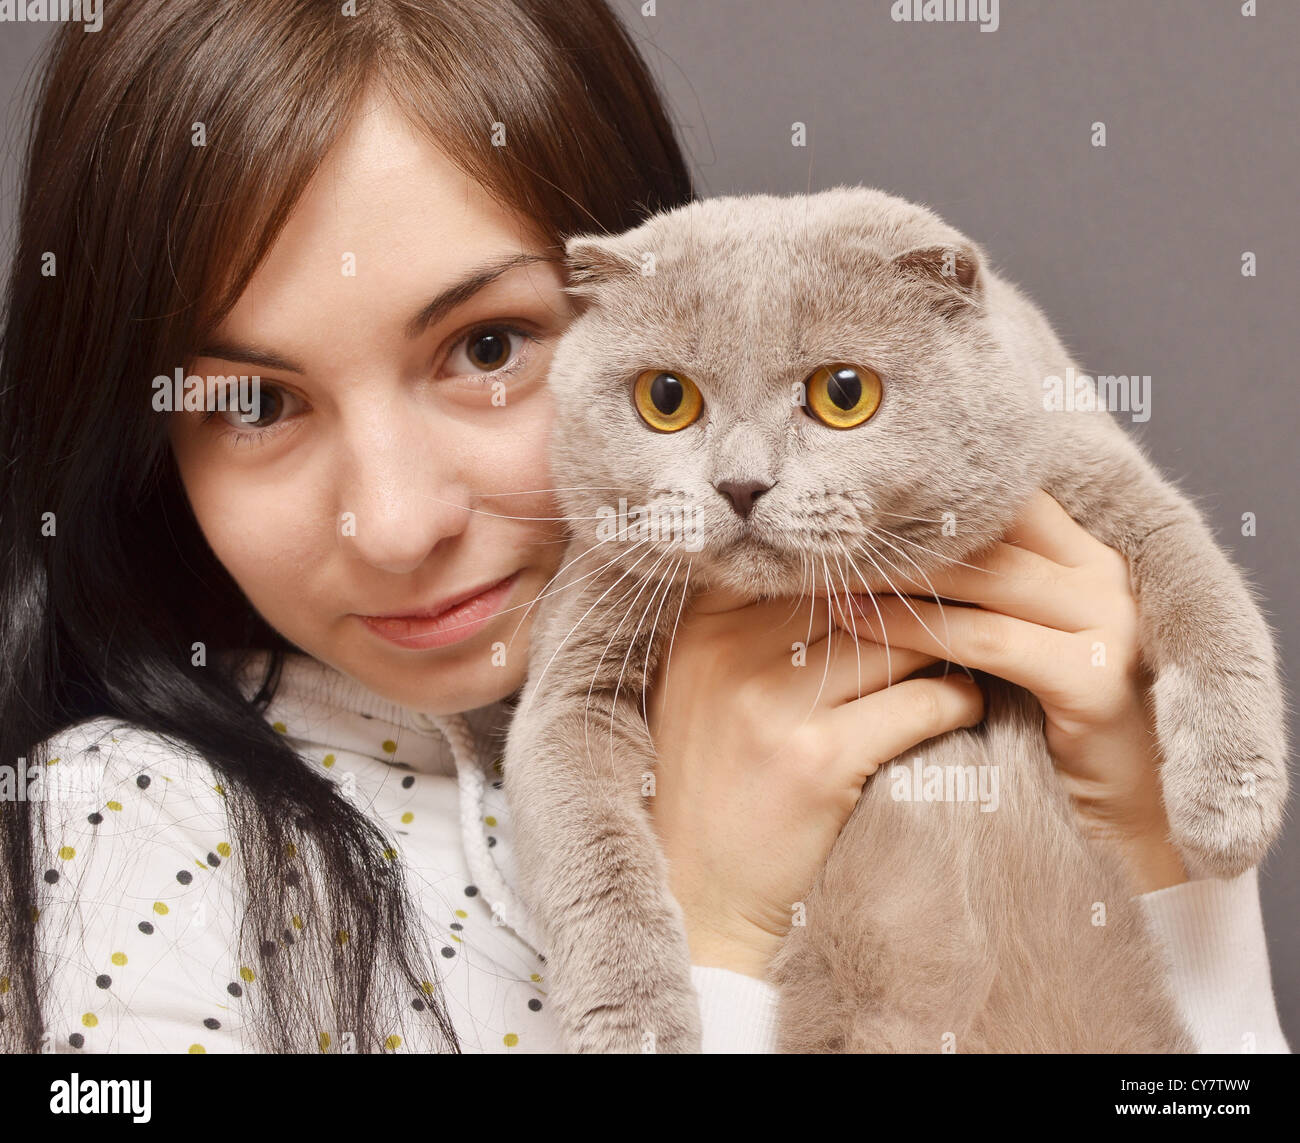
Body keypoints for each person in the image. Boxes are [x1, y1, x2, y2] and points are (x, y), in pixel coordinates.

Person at [0, 0, 1287, 1054]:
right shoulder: (124, 834)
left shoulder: (857, 616)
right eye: (255, 402)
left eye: (487, 346)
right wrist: (716, 925)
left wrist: (1165, 869)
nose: (396, 524)